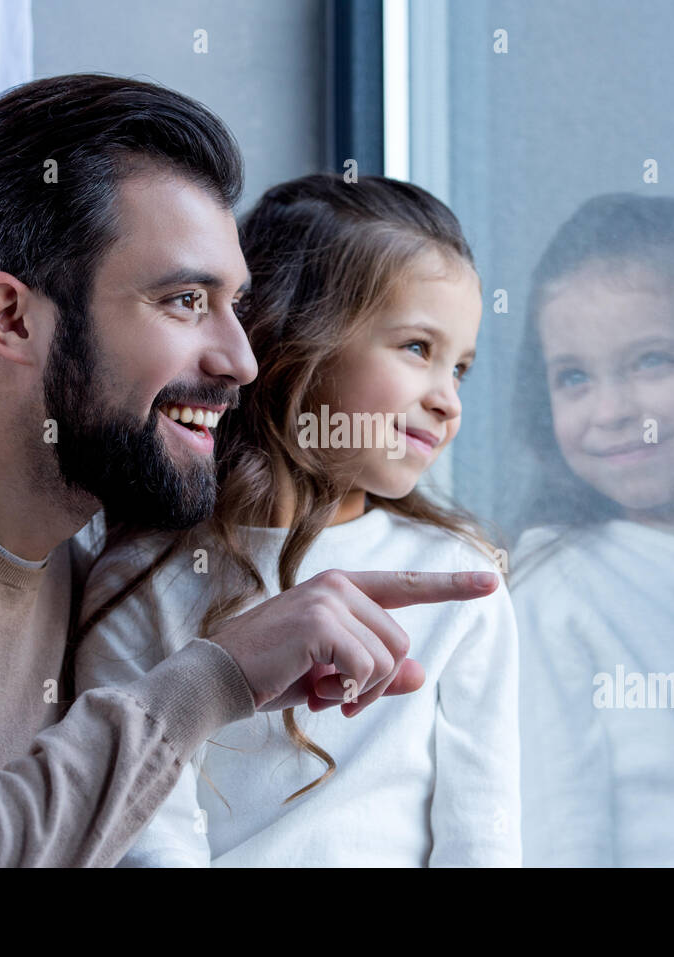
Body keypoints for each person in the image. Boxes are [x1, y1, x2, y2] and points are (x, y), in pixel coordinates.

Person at [0, 74, 496, 867]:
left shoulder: (96, 567)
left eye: (236, 305)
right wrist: (213, 681)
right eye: (186, 301)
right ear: (13, 318)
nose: (243, 360)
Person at [74, 173, 520, 867]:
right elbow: (147, 835)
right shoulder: (142, 576)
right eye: (417, 348)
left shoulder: (460, 584)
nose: (447, 399)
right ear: (287, 342)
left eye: (460, 367)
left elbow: (482, 832)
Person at [509, 193, 674, 866]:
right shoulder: (554, 586)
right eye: (574, 377)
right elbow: (560, 835)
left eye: (653, 361)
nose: (612, 411)